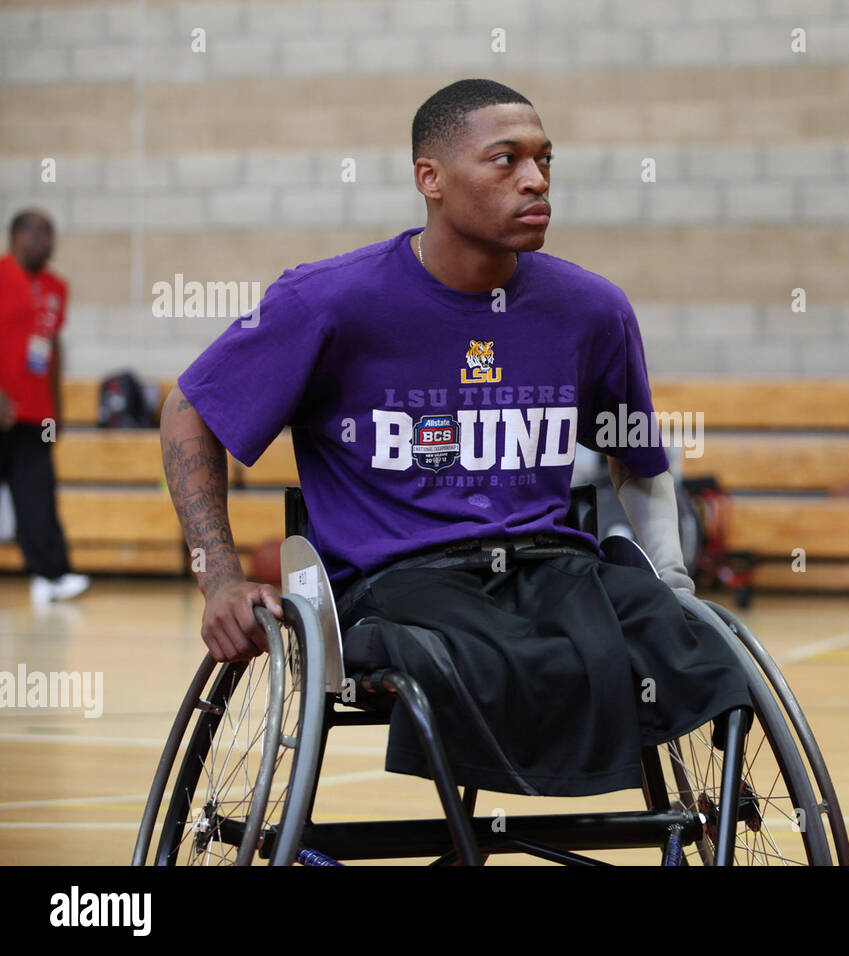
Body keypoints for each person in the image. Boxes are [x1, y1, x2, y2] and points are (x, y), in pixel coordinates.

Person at [159, 79, 750, 797]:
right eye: (506, 160)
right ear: (429, 179)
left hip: (549, 570)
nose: (536, 180)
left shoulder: (591, 309)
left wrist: (673, 580)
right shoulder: (328, 301)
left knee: (700, 649)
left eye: (544, 160)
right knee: (482, 653)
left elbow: (637, 453)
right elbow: (190, 408)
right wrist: (218, 577)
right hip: (397, 581)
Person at [0, 209, 89, 604]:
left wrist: (58, 404)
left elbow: (52, 347)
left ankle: (51, 574)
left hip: (35, 412)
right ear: (20, 236)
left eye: (52, 234)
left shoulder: (57, 287)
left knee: (37, 492)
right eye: (43, 234)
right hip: (2, 407)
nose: (51, 243)